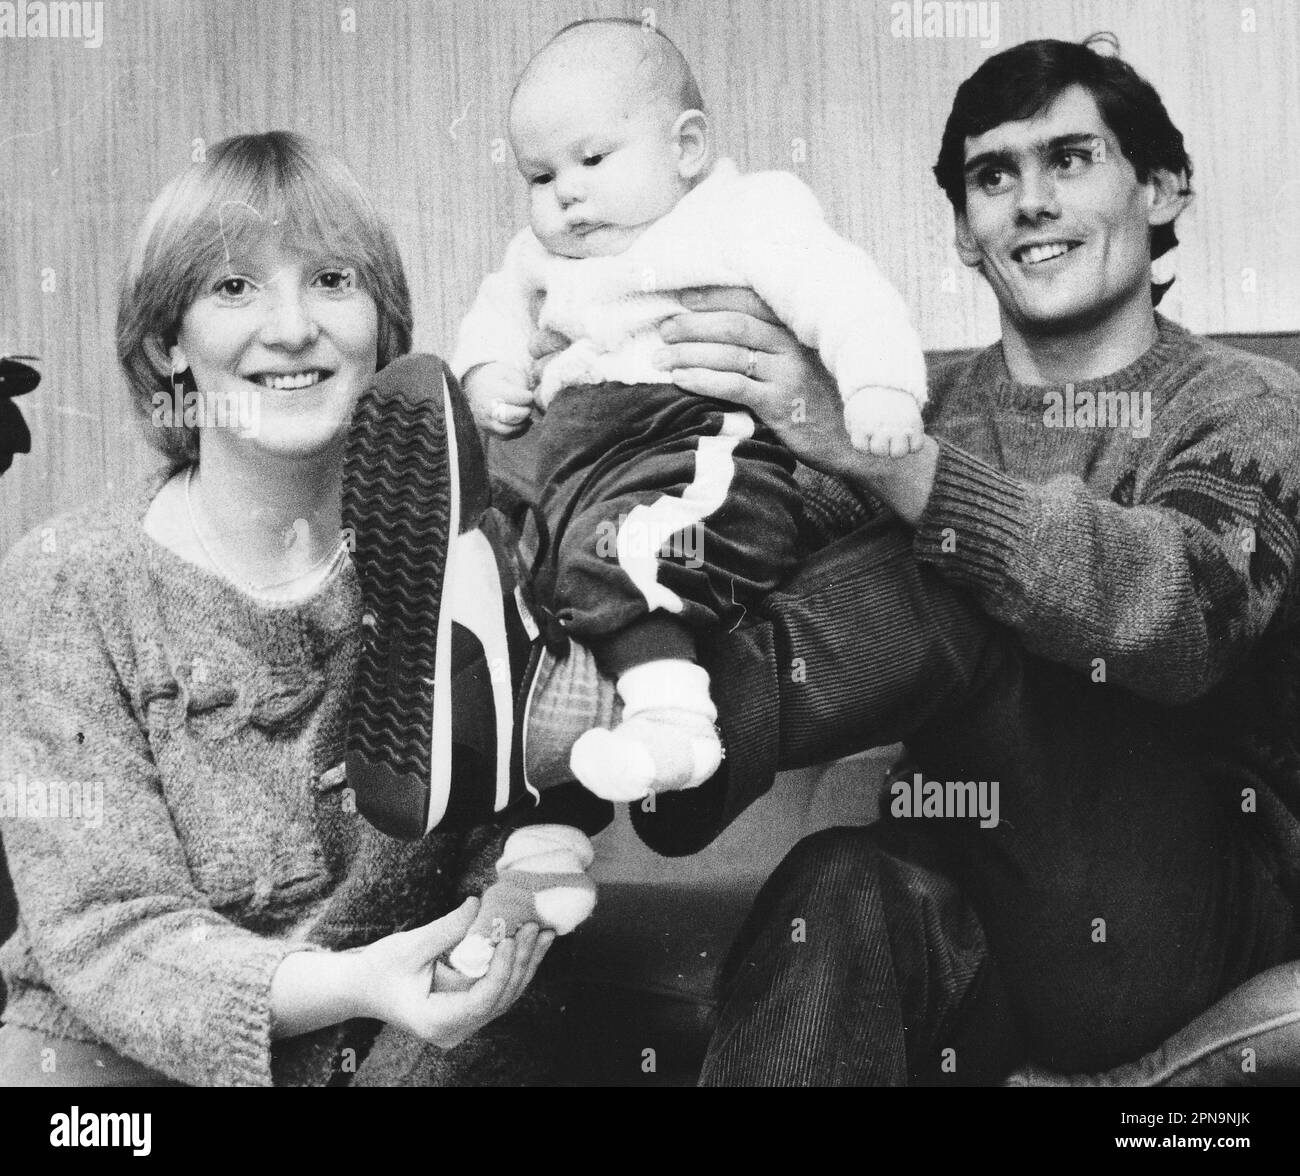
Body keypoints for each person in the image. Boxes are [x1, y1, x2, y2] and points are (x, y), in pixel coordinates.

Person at [616, 36, 1300, 1083]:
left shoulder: (1244, 403)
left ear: (1162, 190)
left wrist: (914, 478)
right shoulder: (904, 411)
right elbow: (758, 545)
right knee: (839, 881)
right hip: (988, 917)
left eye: (1068, 160)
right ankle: (573, 690)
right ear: (961, 233)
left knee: (955, 567)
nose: (1029, 202)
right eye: (994, 177)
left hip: (1183, 906)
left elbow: (1183, 617)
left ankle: (691, 742)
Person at [0, 132, 555, 1087]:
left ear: (382, 323)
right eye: (234, 287)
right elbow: (103, 928)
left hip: (404, 1031)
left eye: (333, 279)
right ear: (168, 343)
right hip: (107, 1061)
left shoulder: (483, 537)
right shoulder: (66, 581)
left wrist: (510, 907)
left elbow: (512, 815)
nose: (293, 328)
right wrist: (347, 983)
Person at [454, 18, 927, 804]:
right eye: (539, 177)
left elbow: (842, 292)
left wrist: (880, 384)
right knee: (494, 521)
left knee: (632, 545)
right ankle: (499, 670)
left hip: (690, 441)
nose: (564, 192)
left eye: (593, 158)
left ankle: (677, 727)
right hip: (564, 449)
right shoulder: (540, 256)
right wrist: (488, 373)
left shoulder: (742, 215)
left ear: (687, 148)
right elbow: (496, 314)